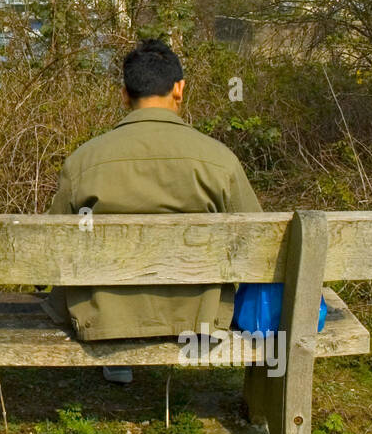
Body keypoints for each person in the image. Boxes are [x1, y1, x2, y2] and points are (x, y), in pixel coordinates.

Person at [41, 39, 261, 384]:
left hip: (103, 317)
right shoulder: (220, 161)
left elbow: (50, 248)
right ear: (179, 89)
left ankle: (119, 347)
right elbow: (259, 242)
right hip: (197, 316)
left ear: (125, 95)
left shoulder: (83, 161)